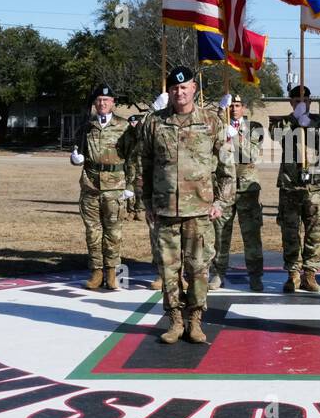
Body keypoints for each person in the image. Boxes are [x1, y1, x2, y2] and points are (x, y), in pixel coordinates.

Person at [136, 66, 233, 344]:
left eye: (185, 87)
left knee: (198, 268)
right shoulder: (154, 123)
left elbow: (227, 166)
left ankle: (195, 320)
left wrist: (221, 201)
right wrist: (146, 202)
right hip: (165, 209)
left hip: (200, 210)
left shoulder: (211, 121)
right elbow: (144, 165)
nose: (180, 92)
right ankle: (175, 320)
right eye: (175, 88)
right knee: (168, 268)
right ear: (169, 91)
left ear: (194, 89)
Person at [71, 85, 135, 290]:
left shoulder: (124, 126)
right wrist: (74, 158)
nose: (102, 104)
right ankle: (96, 271)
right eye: (99, 100)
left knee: (114, 232)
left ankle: (111, 271)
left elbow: (133, 158)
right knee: (92, 231)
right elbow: (77, 149)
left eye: (106, 100)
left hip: (115, 185)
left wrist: (131, 185)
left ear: (113, 102)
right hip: (90, 184)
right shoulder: (86, 126)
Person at [276, 85, 320, 293]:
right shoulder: (282, 123)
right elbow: (279, 136)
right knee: (290, 232)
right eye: (297, 101)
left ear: (310, 101)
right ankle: (293, 274)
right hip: (290, 186)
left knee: (315, 232)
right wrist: (296, 123)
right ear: (291, 103)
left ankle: (310, 273)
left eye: (305, 100)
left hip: (315, 186)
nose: (301, 104)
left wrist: (310, 126)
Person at [212, 94, 265, 291]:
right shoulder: (219, 125)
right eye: (230, 105)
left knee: (251, 235)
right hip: (224, 187)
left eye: (237, 105)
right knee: (220, 234)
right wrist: (219, 117)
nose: (234, 109)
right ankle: (217, 273)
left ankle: (255, 276)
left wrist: (235, 135)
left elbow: (250, 154)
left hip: (246, 188)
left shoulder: (254, 127)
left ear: (244, 108)